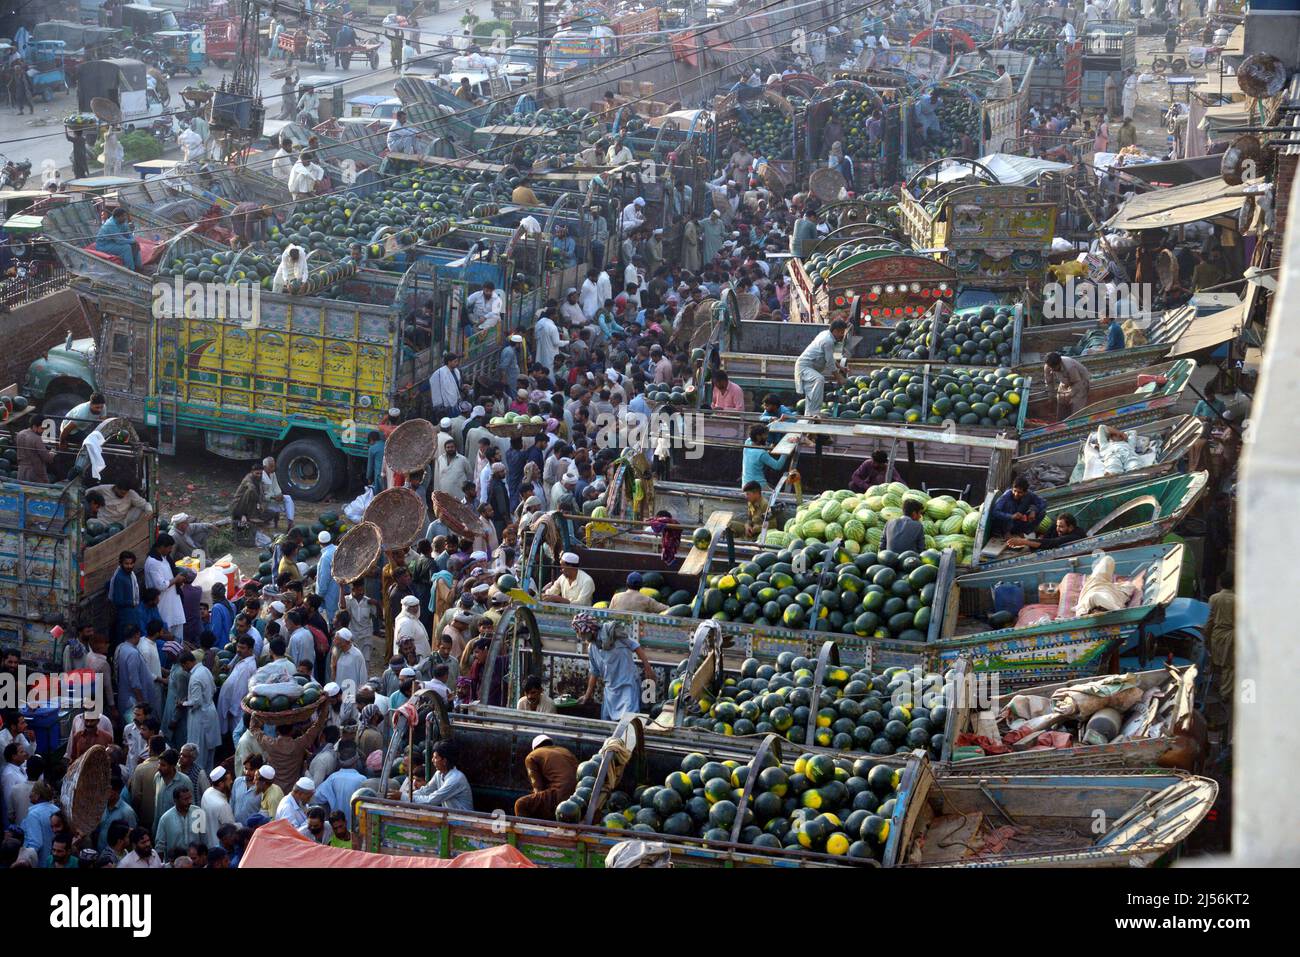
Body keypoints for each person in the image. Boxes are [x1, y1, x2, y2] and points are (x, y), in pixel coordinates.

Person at [575, 614, 654, 721]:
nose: (580, 636)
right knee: (607, 724)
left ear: (590, 630)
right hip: (610, 690)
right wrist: (587, 695)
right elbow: (595, 672)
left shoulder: (613, 633)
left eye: (582, 632)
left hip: (627, 686)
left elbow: (635, 646)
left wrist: (647, 668)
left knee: (628, 723)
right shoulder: (591, 648)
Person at [513, 733, 578, 820]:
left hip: (560, 795)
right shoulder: (565, 751)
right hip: (578, 796)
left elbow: (537, 787)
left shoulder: (532, 756)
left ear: (535, 748)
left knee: (521, 804)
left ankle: (528, 832)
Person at [795, 318, 849, 415]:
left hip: (809, 368)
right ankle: (814, 414)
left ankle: (810, 415)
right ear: (835, 331)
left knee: (811, 393)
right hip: (804, 367)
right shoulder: (828, 341)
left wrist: (841, 368)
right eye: (841, 332)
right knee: (819, 379)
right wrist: (839, 378)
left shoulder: (825, 333)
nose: (842, 335)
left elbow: (829, 357)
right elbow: (830, 364)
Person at [1206, 569, 1234, 734]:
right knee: (1230, 665)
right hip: (1232, 635)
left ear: (1220, 583)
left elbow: (1210, 619)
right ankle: (1225, 692)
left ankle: (1220, 689)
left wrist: (1206, 634)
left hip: (1217, 634)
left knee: (1217, 662)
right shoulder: (1238, 600)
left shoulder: (1214, 598)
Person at [411, 742, 473, 810]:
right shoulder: (439, 774)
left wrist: (403, 797)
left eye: (435, 758)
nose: (432, 760)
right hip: (451, 817)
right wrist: (407, 795)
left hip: (463, 819)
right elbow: (426, 791)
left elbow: (431, 800)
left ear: (444, 761)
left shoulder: (456, 779)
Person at [741, 424, 790, 491]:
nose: (767, 436)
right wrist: (786, 450)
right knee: (776, 498)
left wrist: (775, 423)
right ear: (758, 437)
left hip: (745, 484)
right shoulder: (761, 453)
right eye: (765, 435)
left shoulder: (747, 442)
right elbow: (778, 466)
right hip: (758, 485)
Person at [1043, 352, 1091, 418]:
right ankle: (1061, 421)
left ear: (1059, 363)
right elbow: (1049, 382)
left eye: (1054, 368)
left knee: (1075, 405)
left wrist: (1070, 394)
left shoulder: (1070, 366)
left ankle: (1075, 421)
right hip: (1065, 380)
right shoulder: (1048, 366)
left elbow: (1077, 383)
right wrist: (1051, 397)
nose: (1052, 369)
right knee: (1060, 399)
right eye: (1051, 367)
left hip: (1080, 381)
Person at [1007, 512, 1086, 552]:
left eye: (1061, 527)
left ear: (1071, 527)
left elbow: (1052, 542)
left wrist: (1023, 541)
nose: (1058, 529)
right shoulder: (1057, 528)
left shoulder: (1076, 536)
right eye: (1057, 525)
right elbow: (1045, 539)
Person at [15, 418, 53, 484]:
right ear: (35, 427)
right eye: (42, 428)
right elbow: (47, 458)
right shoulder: (36, 439)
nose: (43, 431)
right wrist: (52, 454)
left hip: (21, 471)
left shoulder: (20, 434)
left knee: (22, 491)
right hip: (35, 473)